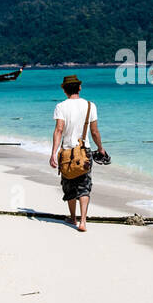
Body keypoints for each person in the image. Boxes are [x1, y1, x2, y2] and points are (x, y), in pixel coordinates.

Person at [49, 75, 106, 232]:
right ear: (79, 88)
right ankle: (83, 221)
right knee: (84, 185)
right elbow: (94, 131)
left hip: (67, 151)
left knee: (69, 183)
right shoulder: (90, 106)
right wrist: (100, 148)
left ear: (63, 89)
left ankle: (73, 218)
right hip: (84, 151)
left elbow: (59, 129)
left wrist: (53, 153)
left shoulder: (61, 106)